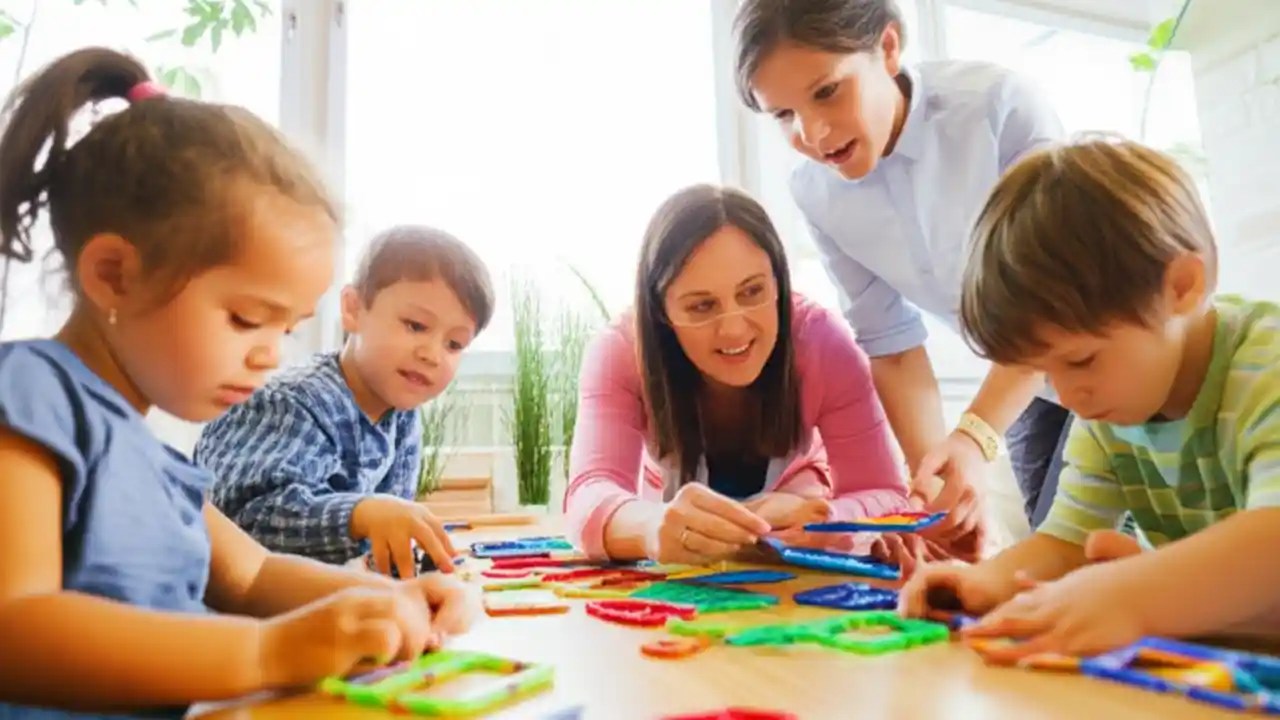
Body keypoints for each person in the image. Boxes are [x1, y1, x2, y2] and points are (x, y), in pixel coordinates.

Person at [0, 48, 478, 719]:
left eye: (285, 330)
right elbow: (14, 625)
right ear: (114, 275)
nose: (267, 356)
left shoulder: (154, 461)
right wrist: (263, 653)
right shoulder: (30, 401)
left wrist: (381, 602)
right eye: (247, 319)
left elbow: (253, 574)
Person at [900, 137, 1280, 657]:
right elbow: (1068, 542)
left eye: (1079, 361)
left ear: (1183, 287)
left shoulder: (1266, 367)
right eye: (1044, 372)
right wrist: (986, 583)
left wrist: (1134, 595)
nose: (1070, 398)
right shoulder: (1110, 408)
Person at [733, 0, 1069, 543]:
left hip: (1112, 356)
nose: (814, 134)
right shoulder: (817, 195)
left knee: (1094, 559)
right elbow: (892, 345)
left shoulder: (997, 108)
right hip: (1028, 390)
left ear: (888, 48)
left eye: (827, 92)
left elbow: (1055, 298)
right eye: (784, 115)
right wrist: (934, 488)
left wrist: (975, 435)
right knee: (1055, 565)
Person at [563, 183, 913, 565]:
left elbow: (887, 493)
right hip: (678, 563)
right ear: (661, 313)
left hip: (797, 553)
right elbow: (587, 494)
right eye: (701, 306)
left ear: (780, 283)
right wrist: (649, 528)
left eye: (752, 292)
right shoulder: (620, 351)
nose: (733, 329)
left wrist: (825, 521)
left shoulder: (824, 344)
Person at [196, 225, 494, 579]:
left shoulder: (402, 417)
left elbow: (381, 546)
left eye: (454, 345)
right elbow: (249, 525)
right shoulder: (293, 403)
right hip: (231, 617)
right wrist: (362, 514)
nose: (432, 354)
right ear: (353, 309)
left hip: (326, 603)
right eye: (415, 326)